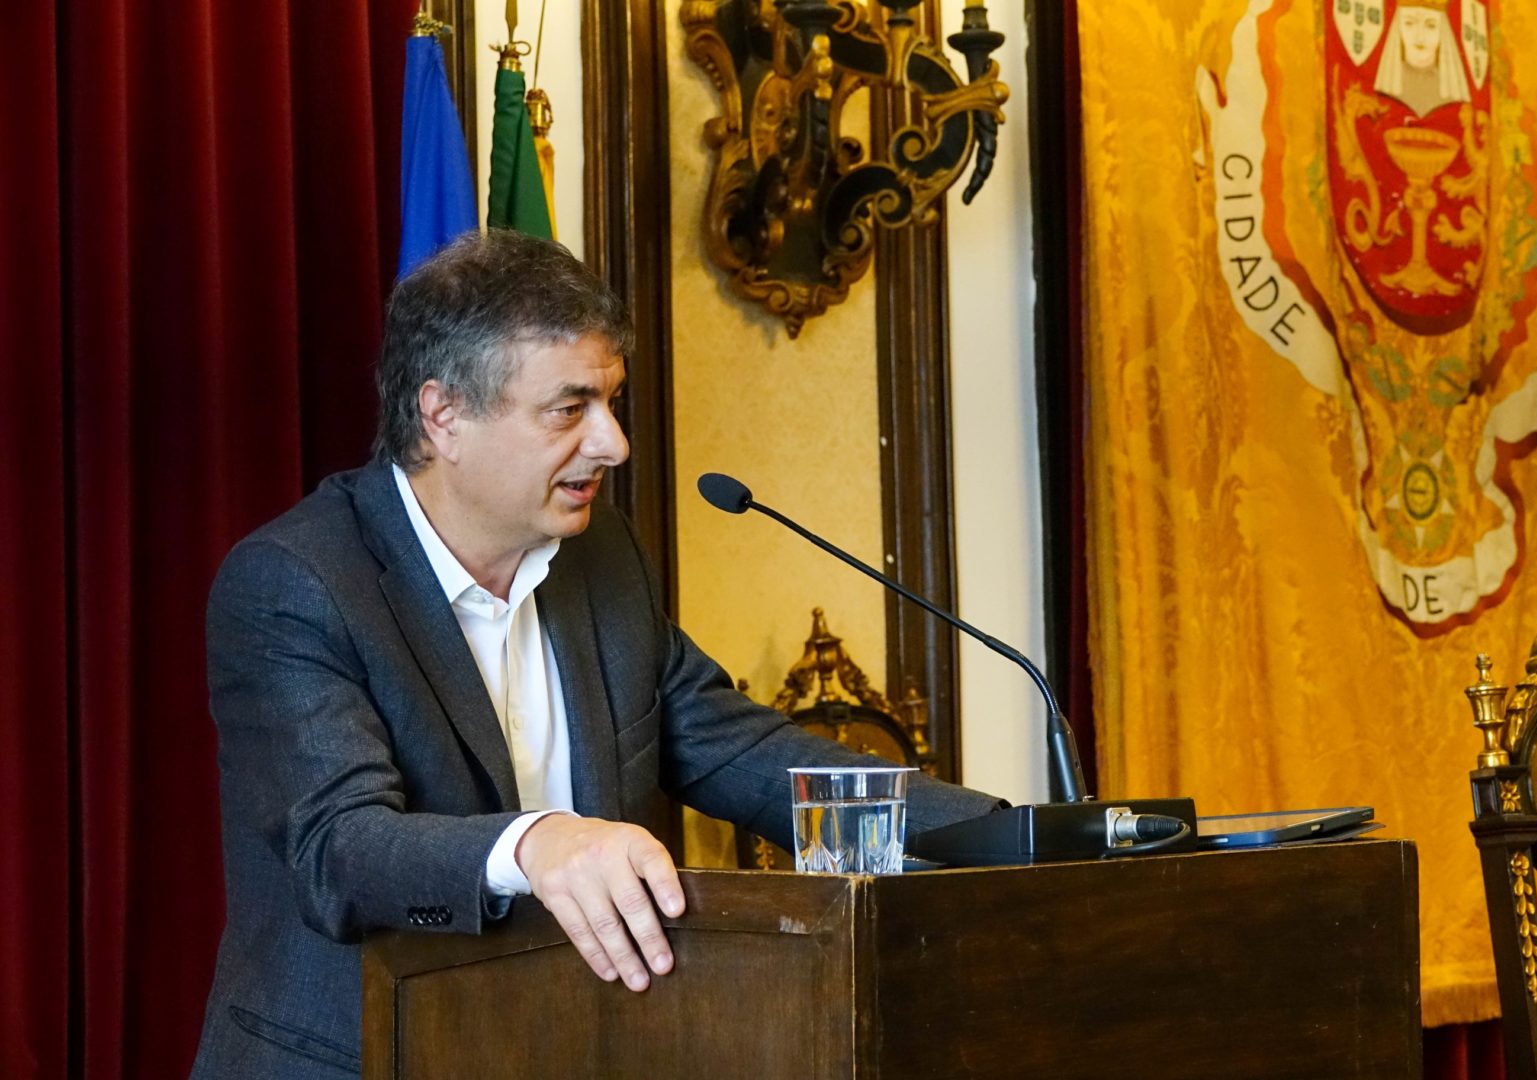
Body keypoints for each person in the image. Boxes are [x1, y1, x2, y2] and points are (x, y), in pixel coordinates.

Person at [190, 231, 1003, 1078]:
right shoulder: (297, 581)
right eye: (569, 409)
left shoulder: (600, 554)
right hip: (356, 1055)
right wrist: (538, 844)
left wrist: (1004, 836)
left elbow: (739, 750)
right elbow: (340, 849)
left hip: (569, 1044)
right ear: (444, 415)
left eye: (610, 402)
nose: (612, 443)